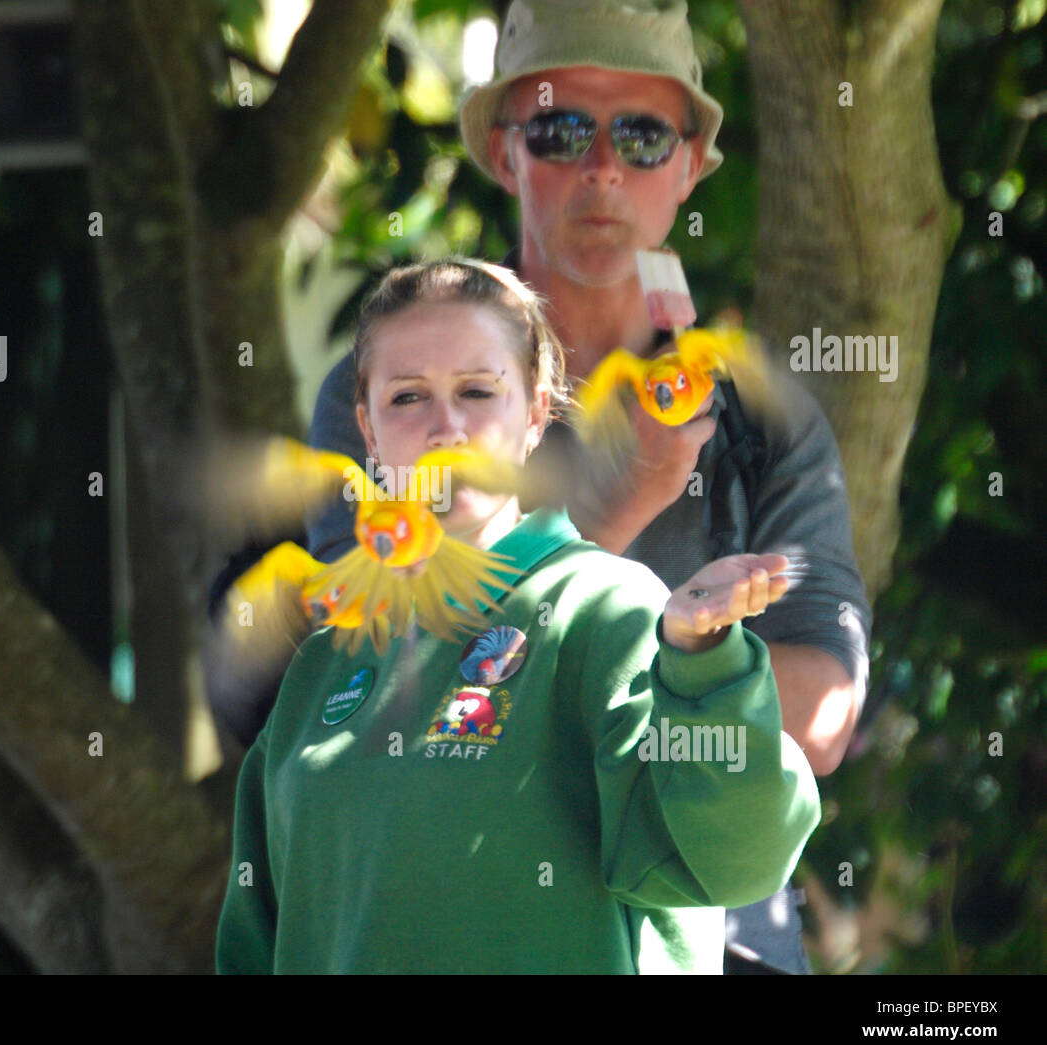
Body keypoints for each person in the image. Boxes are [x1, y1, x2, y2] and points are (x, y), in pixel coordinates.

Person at [303, 0, 871, 974]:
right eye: (562, 129)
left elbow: (819, 714)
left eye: (643, 134)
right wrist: (629, 502)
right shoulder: (403, 395)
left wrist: (532, 683)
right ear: (501, 152)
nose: (602, 168)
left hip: (715, 931)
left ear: (690, 164)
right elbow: (352, 693)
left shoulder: (758, 416)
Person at [216, 259, 820, 974]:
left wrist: (707, 662)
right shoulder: (319, 668)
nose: (447, 428)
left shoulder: (608, 610)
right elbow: (252, 948)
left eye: (477, 390)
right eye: (408, 397)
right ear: (367, 432)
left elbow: (737, 858)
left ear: (535, 412)